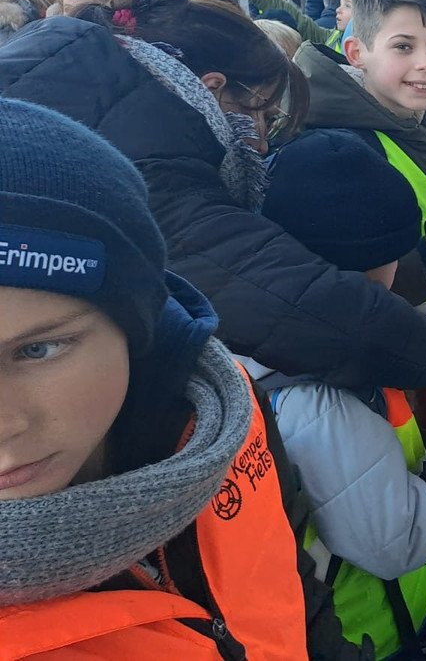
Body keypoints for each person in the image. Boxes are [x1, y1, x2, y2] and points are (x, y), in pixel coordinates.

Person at [0, 97, 362, 658]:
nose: (6, 425)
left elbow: (294, 587)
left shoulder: (219, 413)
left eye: (37, 349)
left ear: (136, 325)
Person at [0, 0, 426, 398]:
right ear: (211, 89)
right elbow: (279, 296)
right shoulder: (146, 159)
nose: (263, 142)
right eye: (260, 115)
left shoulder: (81, 81)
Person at [257, 128, 426, 658]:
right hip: (373, 635)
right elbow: (400, 540)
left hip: (408, 603)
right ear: (379, 264)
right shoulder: (318, 403)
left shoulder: (305, 332)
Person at [293, 0, 426, 364]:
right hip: (405, 368)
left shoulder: (421, 120)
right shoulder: (338, 154)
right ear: (356, 53)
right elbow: (344, 295)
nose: (425, 63)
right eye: (403, 46)